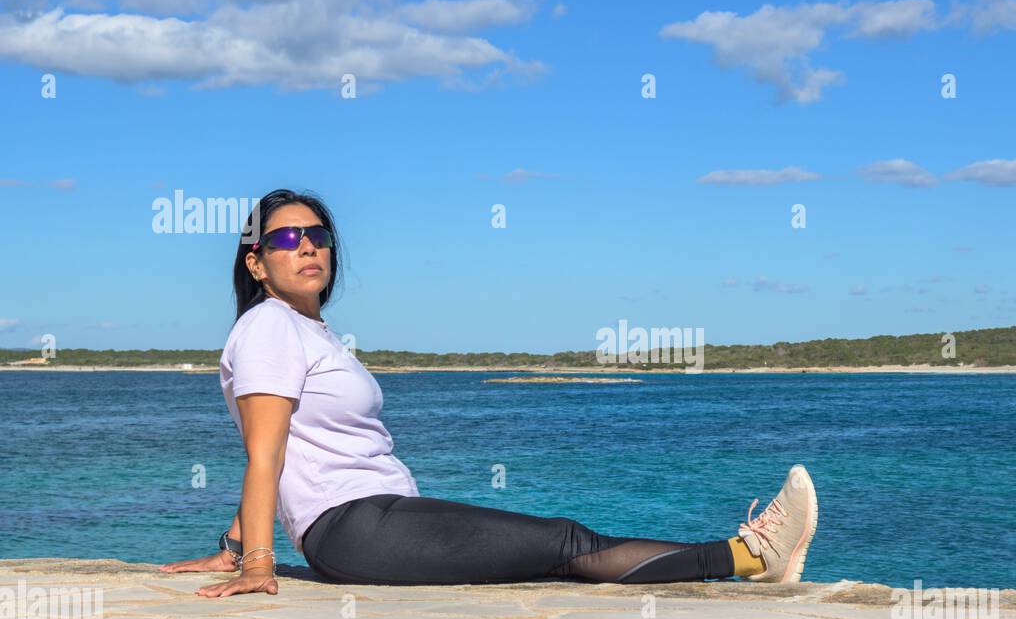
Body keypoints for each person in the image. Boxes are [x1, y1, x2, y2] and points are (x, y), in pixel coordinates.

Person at [160, 188, 818, 597]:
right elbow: (266, 454)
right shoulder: (270, 326)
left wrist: (233, 540)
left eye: (318, 236)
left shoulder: (308, 331)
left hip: (372, 521)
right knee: (563, 544)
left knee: (551, 556)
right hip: (354, 529)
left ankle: (746, 559)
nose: (307, 247)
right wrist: (256, 565)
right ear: (256, 262)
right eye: (285, 238)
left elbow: (304, 450)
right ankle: (750, 556)